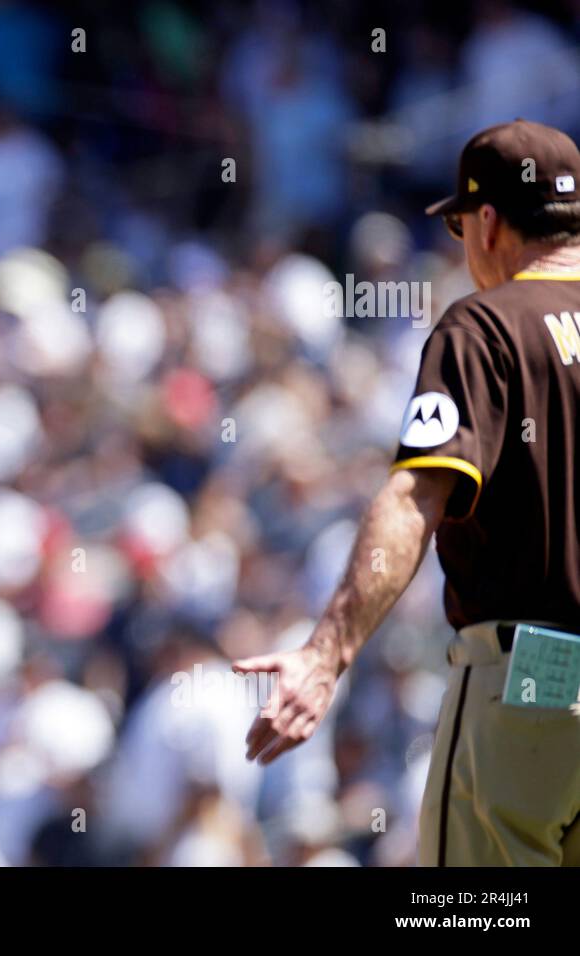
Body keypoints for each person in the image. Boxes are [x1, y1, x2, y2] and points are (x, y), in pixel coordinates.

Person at [234, 119, 580, 866]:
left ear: (488, 222)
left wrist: (326, 654)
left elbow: (411, 500)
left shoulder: (484, 327)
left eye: (460, 222)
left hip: (533, 686)